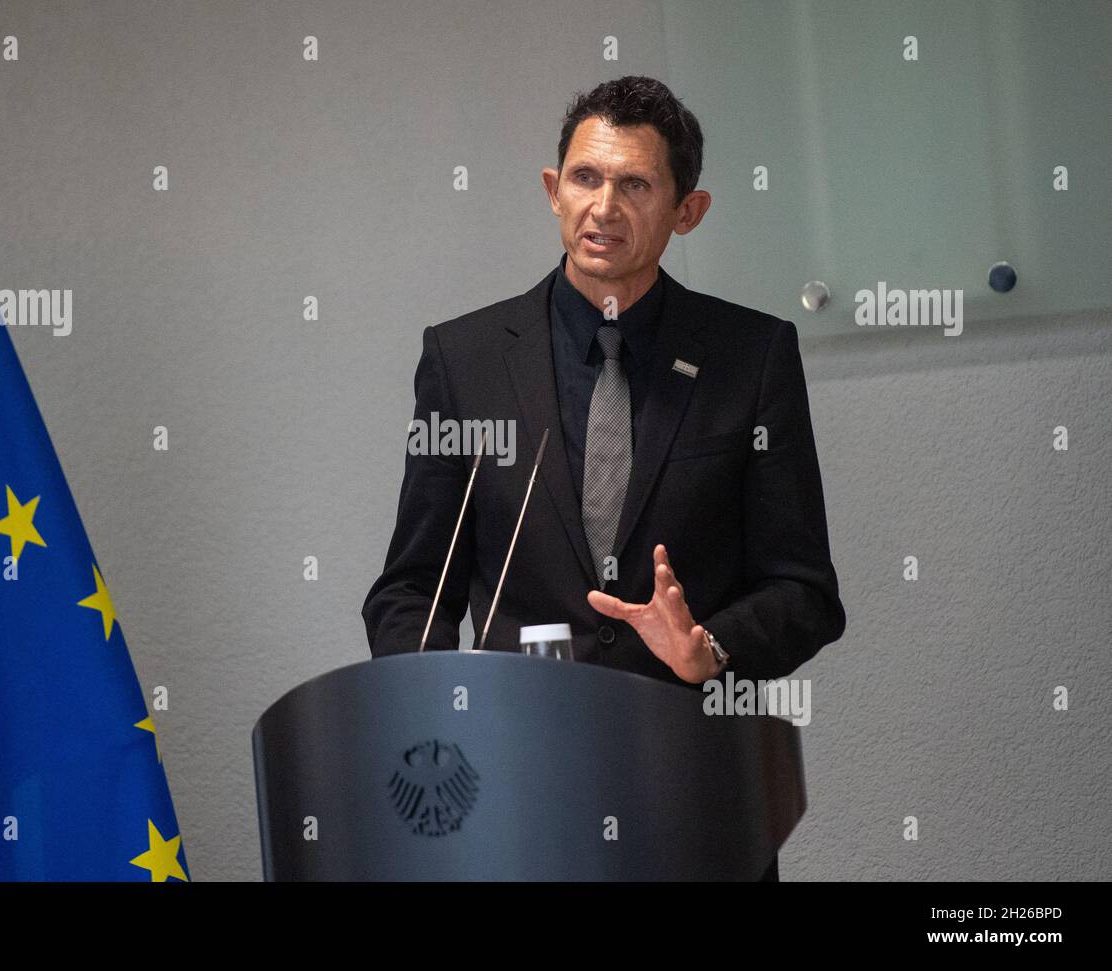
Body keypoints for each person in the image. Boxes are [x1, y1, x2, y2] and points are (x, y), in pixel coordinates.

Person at [362, 76, 845, 882]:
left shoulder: (750, 357)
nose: (604, 207)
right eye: (586, 178)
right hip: (513, 790)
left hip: (692, 789)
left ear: (688, 212)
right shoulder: (467, 361)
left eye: (636, 184)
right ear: (554, 192)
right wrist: (438, 700)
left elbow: (805, 590)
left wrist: (711, 647)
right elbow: (412, 586)